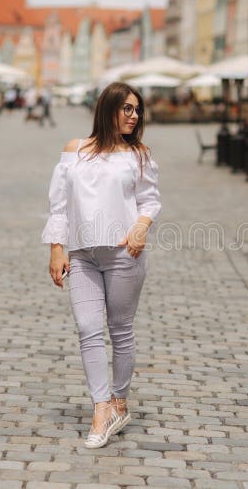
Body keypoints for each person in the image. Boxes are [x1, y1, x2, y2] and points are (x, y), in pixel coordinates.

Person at [41, 82, 161, 449]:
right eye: (127, 108)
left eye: (137, 110)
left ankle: (119, 400)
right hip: (83, 255)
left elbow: (150, 200)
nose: (134, 116)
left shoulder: (137, 154)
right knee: (88, 328)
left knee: (120, 330)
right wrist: (56, 249)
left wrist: (141, 227)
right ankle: (101, 407)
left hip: (124, 254)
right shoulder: (74, 150)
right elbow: (59, 204)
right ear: (108, 108)